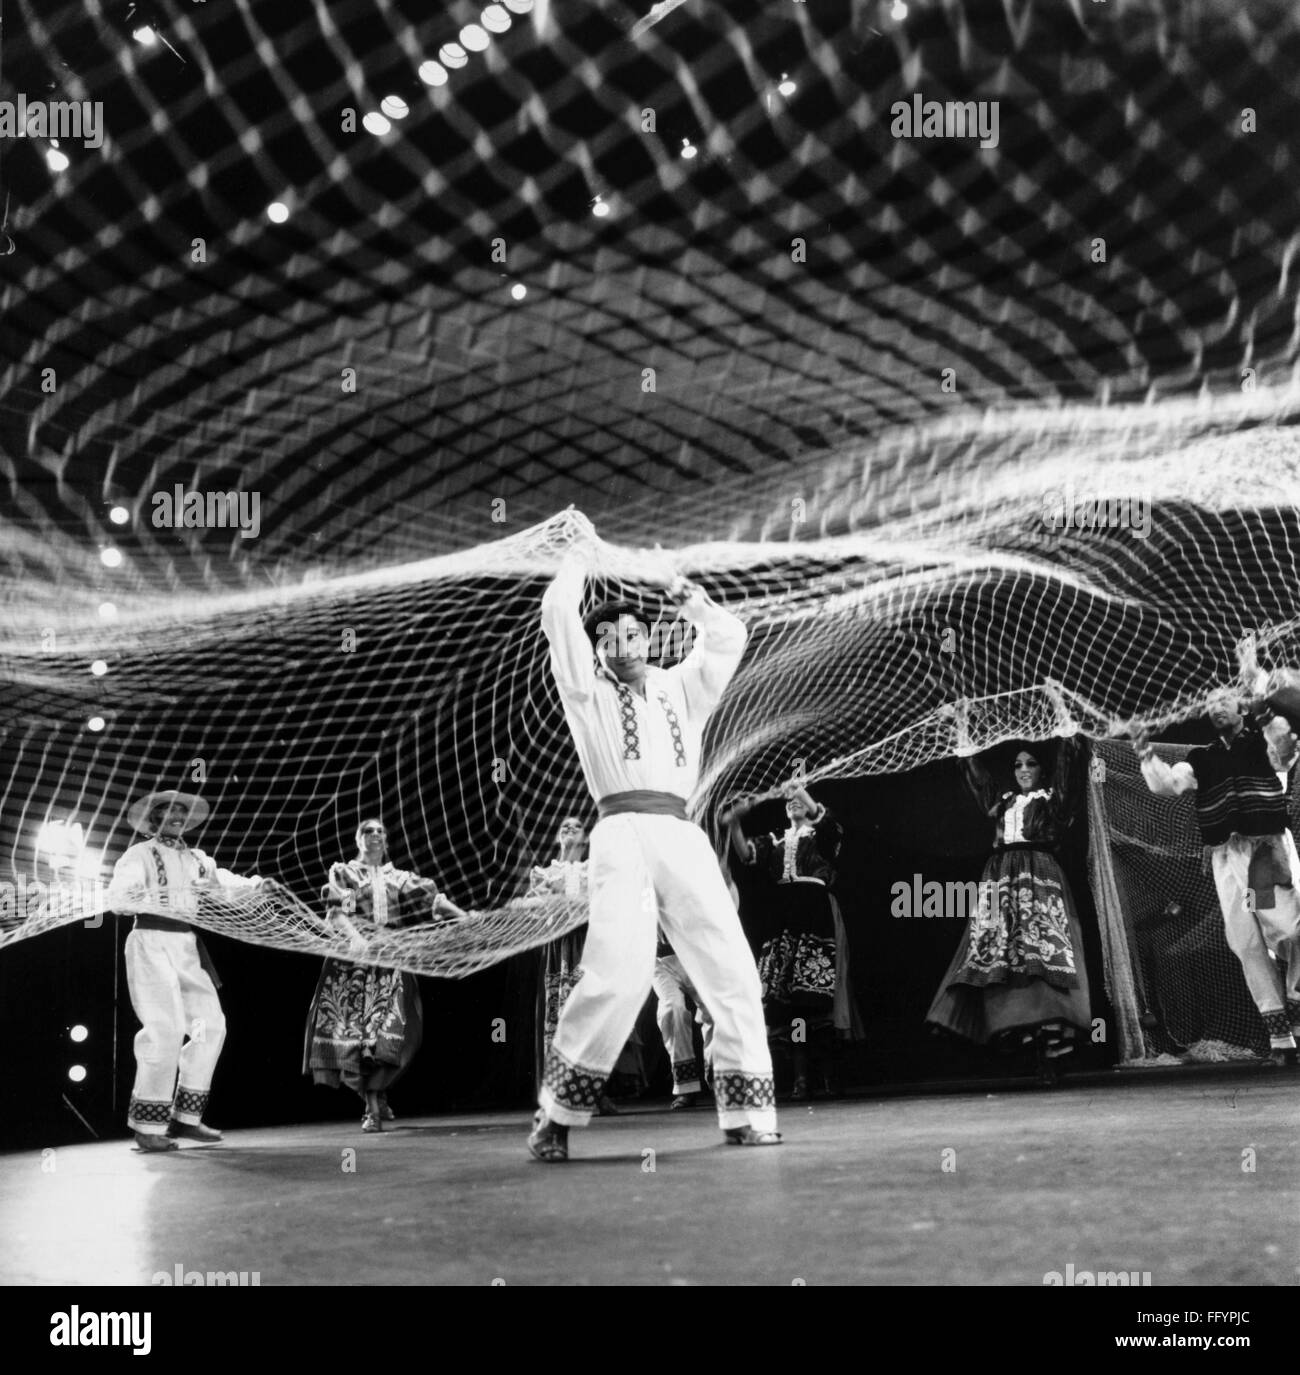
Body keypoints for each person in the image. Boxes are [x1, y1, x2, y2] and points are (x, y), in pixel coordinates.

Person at [528, 536, 779, 1160]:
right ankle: (555, 1118)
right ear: (598, 649)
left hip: (680, 831)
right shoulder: (585, 691)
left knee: (731, 966)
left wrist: (683, 594)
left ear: (649, 639)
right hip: (620, 831)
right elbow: (558, 618)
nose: (621, 644)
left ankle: (747, 1114)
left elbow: (729, 636)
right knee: (618, 969)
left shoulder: (681, 688)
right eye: (607, 638)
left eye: (633, 635)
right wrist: (579, 559)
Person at [106, 788, 280, 1152]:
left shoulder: (198, 859)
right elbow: (120, 898)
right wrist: (143, 894)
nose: (176, 817)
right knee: (165, 1029)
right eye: (168, 811)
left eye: (181, 812)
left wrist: (257, 885)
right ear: (153, 819)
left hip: (185, 946)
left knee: (210, 1026)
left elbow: (225, 884)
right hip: (150, 943)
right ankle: (147, 1126)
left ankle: (185, 1119)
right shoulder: (139, 854)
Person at [1136, 688, 1300, 1063]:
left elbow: (1286, 752)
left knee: (1291, 931)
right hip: (1230, 861)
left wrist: (1264, 712)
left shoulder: (1264, 741)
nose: (1215, 708)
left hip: (1265, 854)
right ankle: (1281, 1042)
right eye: (1209, 704)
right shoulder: (1202, 758)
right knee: (1246, 942)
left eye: (1223, 700)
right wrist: (1145, 752)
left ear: (1241, 707)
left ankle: (1296, 1005)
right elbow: (1168, 784)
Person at [926, 736, 1091, 1085]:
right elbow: (977, 776)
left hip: (1039, 875)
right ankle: (1023, 1039)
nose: (1024, 770)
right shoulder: (1003, 802)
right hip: (1001, 879)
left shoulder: (1051, 800)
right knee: (1001, 953)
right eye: (1018, 765)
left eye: (1031, 764)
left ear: (1042, 768)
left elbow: (1067, 770)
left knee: (1042, 955)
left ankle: (1050, 1051)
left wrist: (1065, 728)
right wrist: (959, 726)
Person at [303, 819, 468, 1131]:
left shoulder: (397, 877)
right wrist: (356, 938)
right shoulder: (346, 873)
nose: (375, 835)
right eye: (368, 830)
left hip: (391, 956)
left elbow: (433, 899)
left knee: (393, 1031)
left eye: (380, 831)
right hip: (355, 962)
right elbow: (339, 911)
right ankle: (372, 1105)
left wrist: (465, 916)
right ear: (358, 838)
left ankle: (377, 1096)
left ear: (387, 841)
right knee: (358, 1036)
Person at [726, 785, 863, 1099]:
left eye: (799, 801)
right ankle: (801, 1078)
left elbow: (829, 826)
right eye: (789, 801)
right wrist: (734, 822)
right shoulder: (776, 840)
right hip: (784, 919)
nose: (793, 804)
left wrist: (801, 791)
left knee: (816, 997)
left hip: (815, 914)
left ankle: (829, 1075)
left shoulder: (821, 836)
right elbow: (746, 853)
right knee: (790, 1004)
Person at [530, 816, 634, 1115]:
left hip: (590, 946)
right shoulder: (544, 873)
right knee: (562, 1018)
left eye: (576, 826)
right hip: (560, 948)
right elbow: (540, 908)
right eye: (564, 826)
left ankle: (595, 1091)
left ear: (585, 838)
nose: (569, 829)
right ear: (557, 838)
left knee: (593, 1019)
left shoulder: (595, 869)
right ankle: (562, 1094)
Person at [652, 926, 715, 1108]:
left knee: (714, 1011)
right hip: (659, 960)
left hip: (695, 954)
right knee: (673, 1010)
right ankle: (686, 1087)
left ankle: (717, 1078)